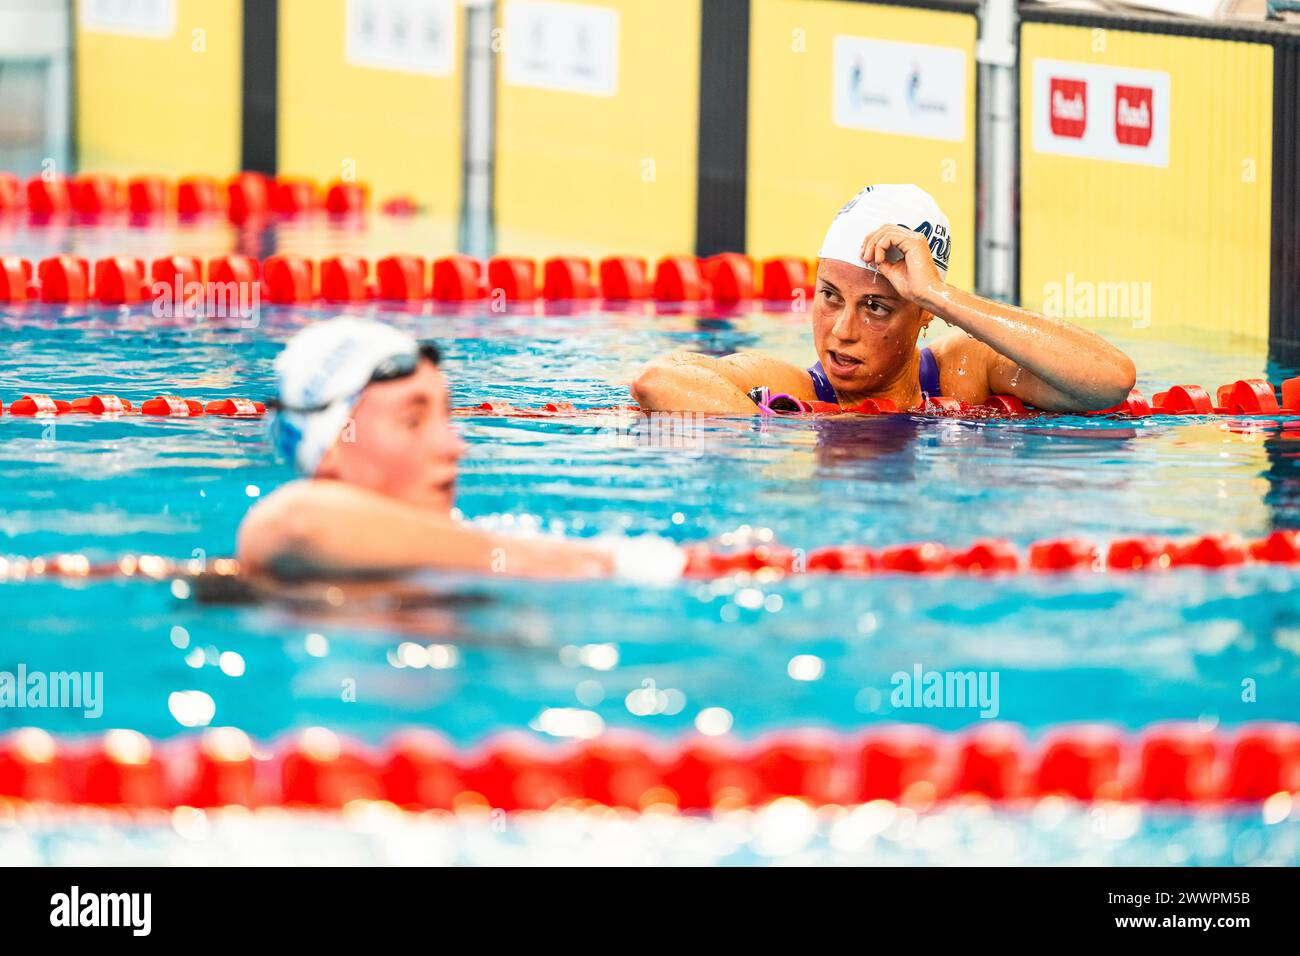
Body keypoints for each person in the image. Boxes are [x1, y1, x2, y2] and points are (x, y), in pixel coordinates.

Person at [237, 317, 683, 581]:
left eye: (446, 417)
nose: (454, 446)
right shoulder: (291, 546)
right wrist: (609, 562)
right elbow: (294, 522)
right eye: (412, 420)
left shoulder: (459, 556)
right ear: (329, 451)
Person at [631, 184, 1136, 414]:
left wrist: (938, 293)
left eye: (876, 306)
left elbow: (1109, 381)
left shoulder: (964, 372)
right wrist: (799, 419)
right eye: (830, 296)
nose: (842, 330)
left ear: (923, 317)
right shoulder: (794, 389)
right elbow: (659, 382)